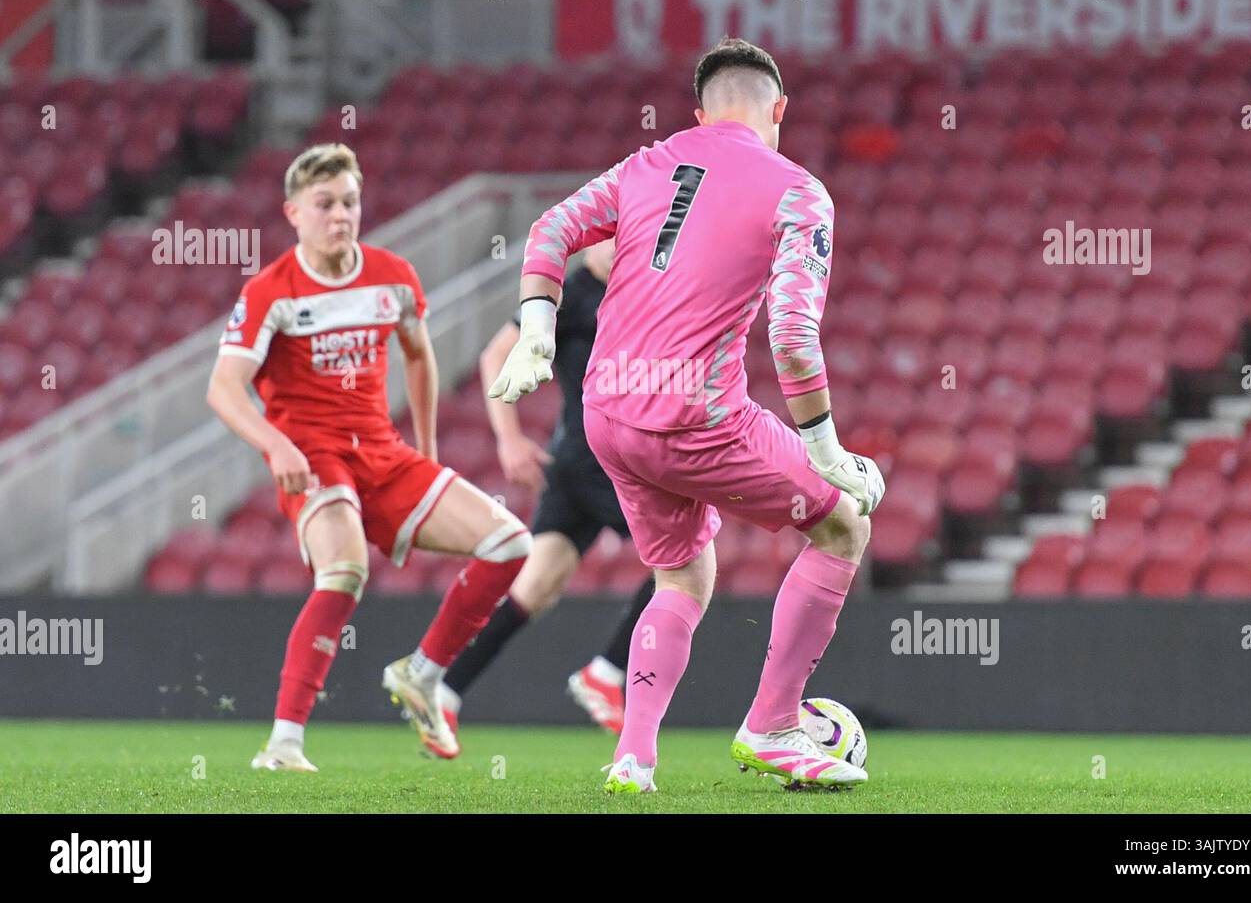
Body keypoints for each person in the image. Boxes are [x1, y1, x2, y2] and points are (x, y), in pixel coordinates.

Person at [489, 38, 886, 794]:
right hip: (696, 415)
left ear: (700, 113)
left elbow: (548, 231)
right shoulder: (798, 191)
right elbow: (794, 337)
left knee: (681, 575)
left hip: (605, 413)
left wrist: (538, 328)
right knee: (844, 526)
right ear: (780, 111)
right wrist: (829, 453)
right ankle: (772, 726)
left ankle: (634, 758)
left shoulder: (645, 164)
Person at [207, 143, 531, 771]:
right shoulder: (271, 290)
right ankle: (283, 743)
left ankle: (423, 673)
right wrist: (275, 445)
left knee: (511, 544)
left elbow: (419, 356)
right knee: (346, 568)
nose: (340, 215)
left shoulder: (393, 276)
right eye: (324, 204)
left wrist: (430, 455)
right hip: (312, 454)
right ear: (293, 213)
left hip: (382, 452)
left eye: (350, 201)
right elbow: (223, 388)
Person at [439, 238, 655, 737]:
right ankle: (606, 673)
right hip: (595, 459)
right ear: (587, 242)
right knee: (686, 556)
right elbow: (496, 355)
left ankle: (444, 685)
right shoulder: (571, 295)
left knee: (535, 587)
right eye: (608, 232)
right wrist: (509, 439)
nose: (620, 241)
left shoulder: (633, 289)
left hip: (576, 462)